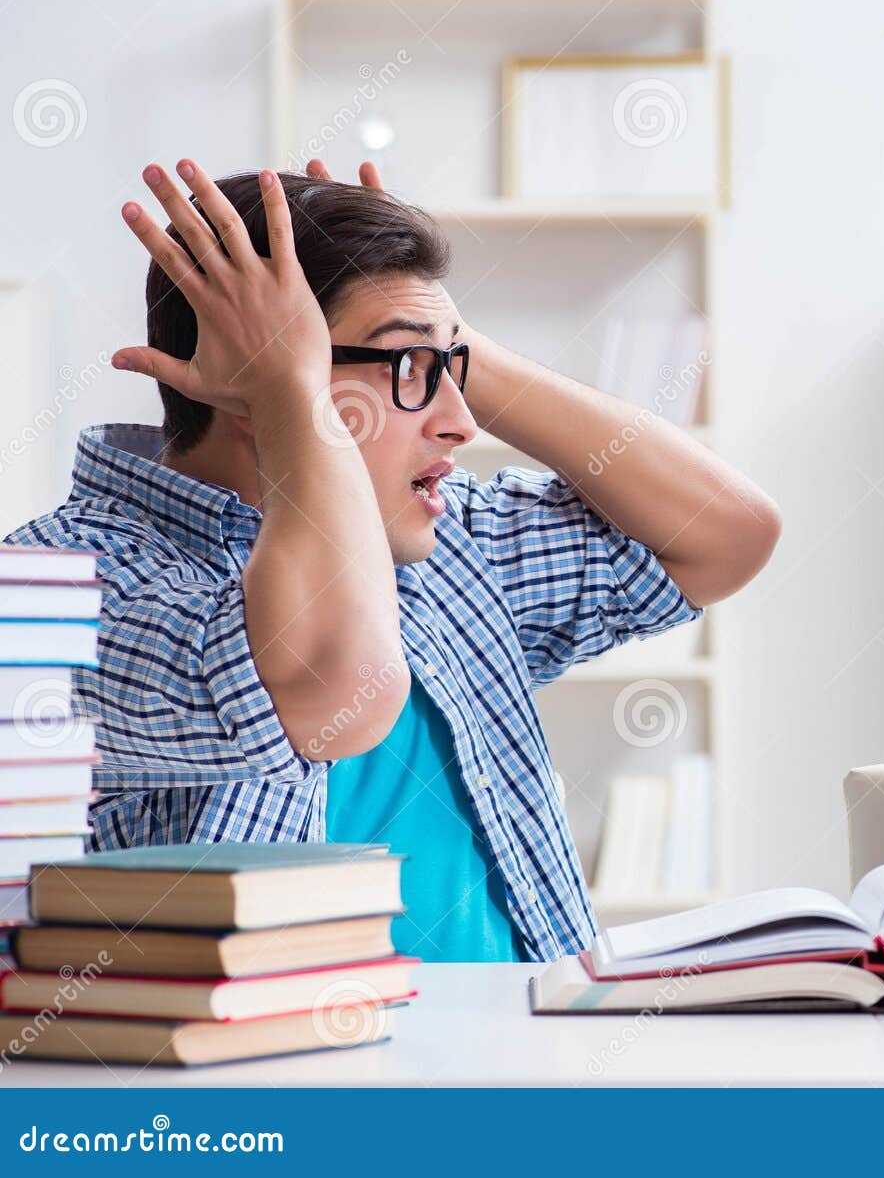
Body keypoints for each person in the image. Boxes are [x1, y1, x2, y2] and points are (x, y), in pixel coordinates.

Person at [6, 158, 781, 963]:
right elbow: (337, 686)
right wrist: (290, 390)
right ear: (245, 382)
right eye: (408, 370)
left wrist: (445, 338)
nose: (461, 422)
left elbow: (727, 534)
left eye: (453, 371)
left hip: (534, 1044)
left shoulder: (441, 541)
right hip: (278, 1053)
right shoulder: (59, 585)